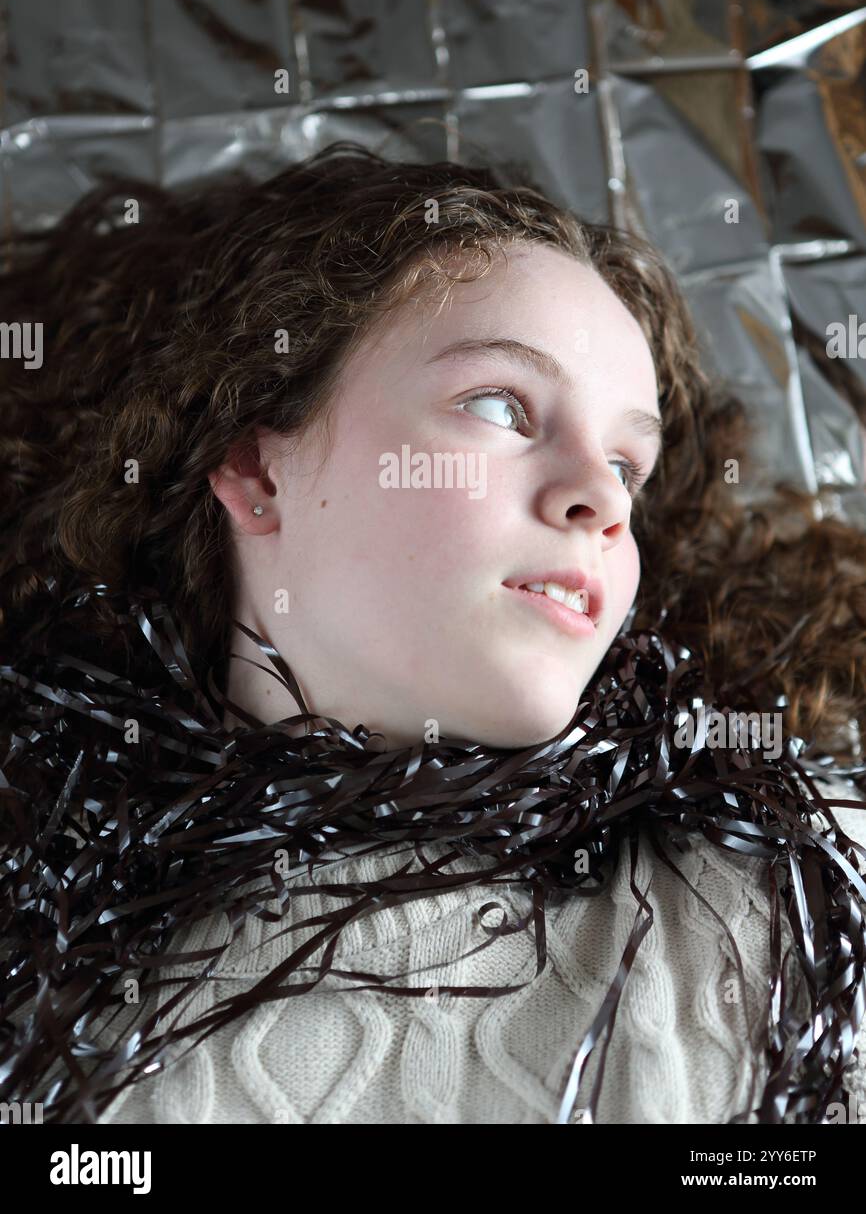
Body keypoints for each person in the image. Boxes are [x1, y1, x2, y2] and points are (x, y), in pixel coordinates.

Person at [2, 140, 866, 1126]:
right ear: (255, 466)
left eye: (629, 464)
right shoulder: (50, 961)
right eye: (499, 405)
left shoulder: (803, 893)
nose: (599, 497)